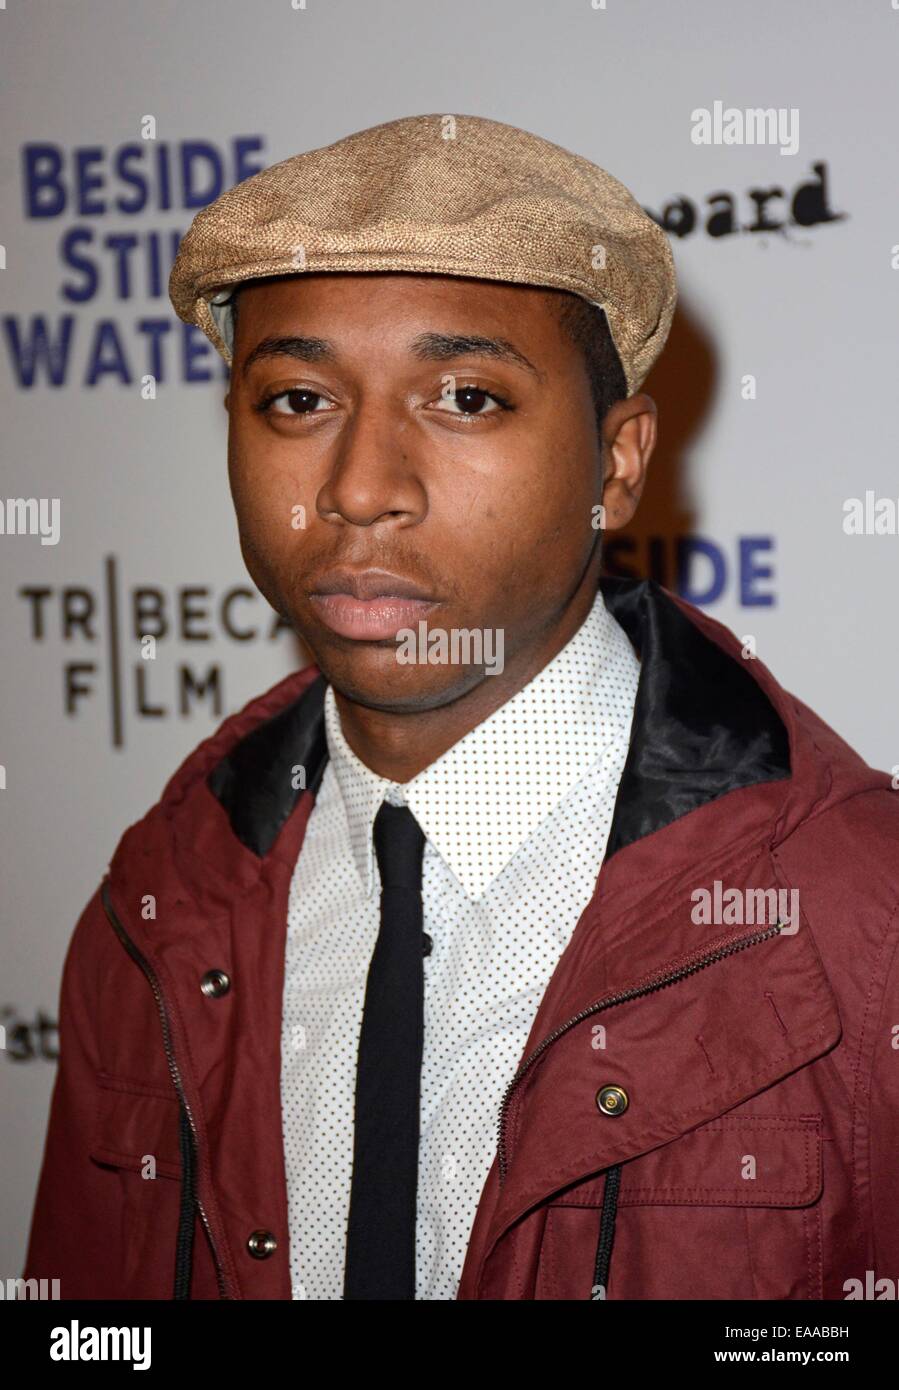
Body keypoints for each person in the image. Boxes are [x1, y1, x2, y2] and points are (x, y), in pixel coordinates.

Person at [23, 113, 899, 1301]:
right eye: (294, 400)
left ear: (617, 460)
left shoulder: (857, 920)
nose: (360, 488)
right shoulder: (161, 898)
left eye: (467, 398)